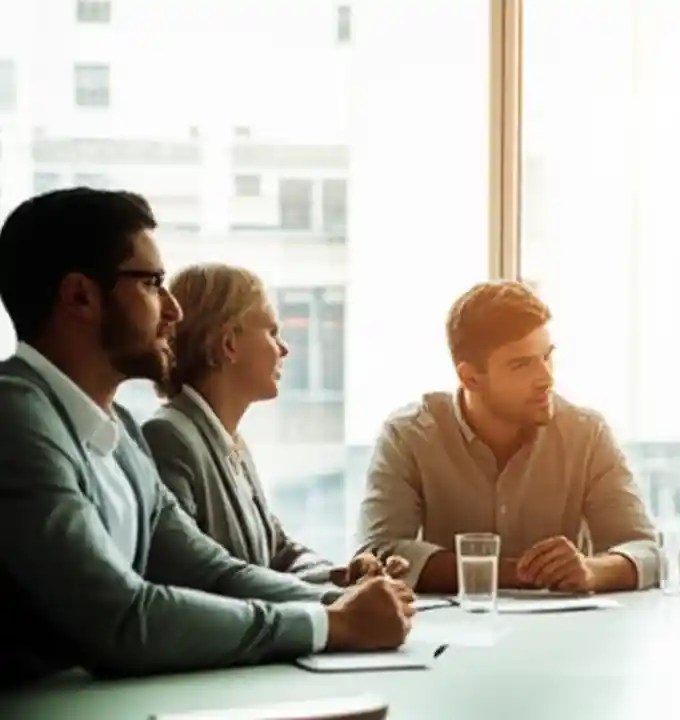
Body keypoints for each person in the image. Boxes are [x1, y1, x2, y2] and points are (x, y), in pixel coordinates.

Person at [0, 189, 413, 685]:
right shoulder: (15, 416)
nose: (173, 310)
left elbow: (214, 572)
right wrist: (331, 623)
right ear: (80, 297)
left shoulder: (121, 431)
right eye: (153, 283)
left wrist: (338, 600)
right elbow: (122, 618)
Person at [357, 280, 659, 594]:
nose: (546, 378)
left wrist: (591, 571)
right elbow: (378, 551)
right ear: (470, 377)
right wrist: (519, 573)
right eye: (522, 365)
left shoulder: (587, 433)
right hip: (453, 633)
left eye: (547, 357)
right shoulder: (409, 436)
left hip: (568, 632)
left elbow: (646, 551)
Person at [142, 263, 403, 585]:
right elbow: (201, 576)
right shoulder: (169, 438)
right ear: (229, 345)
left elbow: (279, 552)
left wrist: (344, 576)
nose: (284, 348)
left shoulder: (231, 441)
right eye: (272, 332)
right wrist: (332, 605)